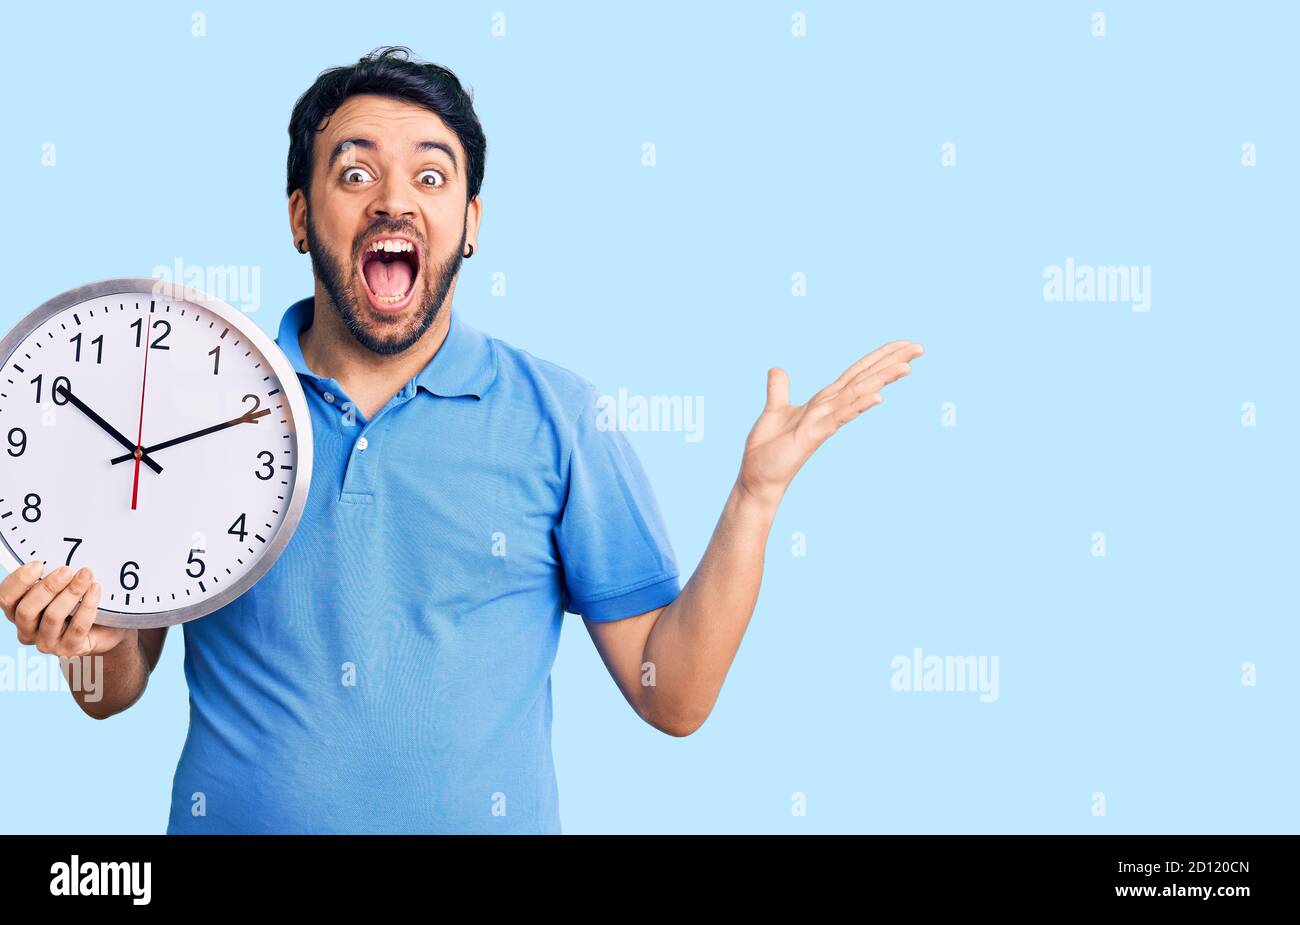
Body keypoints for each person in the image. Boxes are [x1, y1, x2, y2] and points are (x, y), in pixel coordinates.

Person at [0, 47, 923, 833]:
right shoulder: (193, 401)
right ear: (297, 215)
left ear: (471, 225)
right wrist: (85, 639)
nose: (393, 202)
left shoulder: (559, 416)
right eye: (354, 172)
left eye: (431, 176)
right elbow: (110, 689)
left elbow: (669, 694)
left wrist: (754, 499)